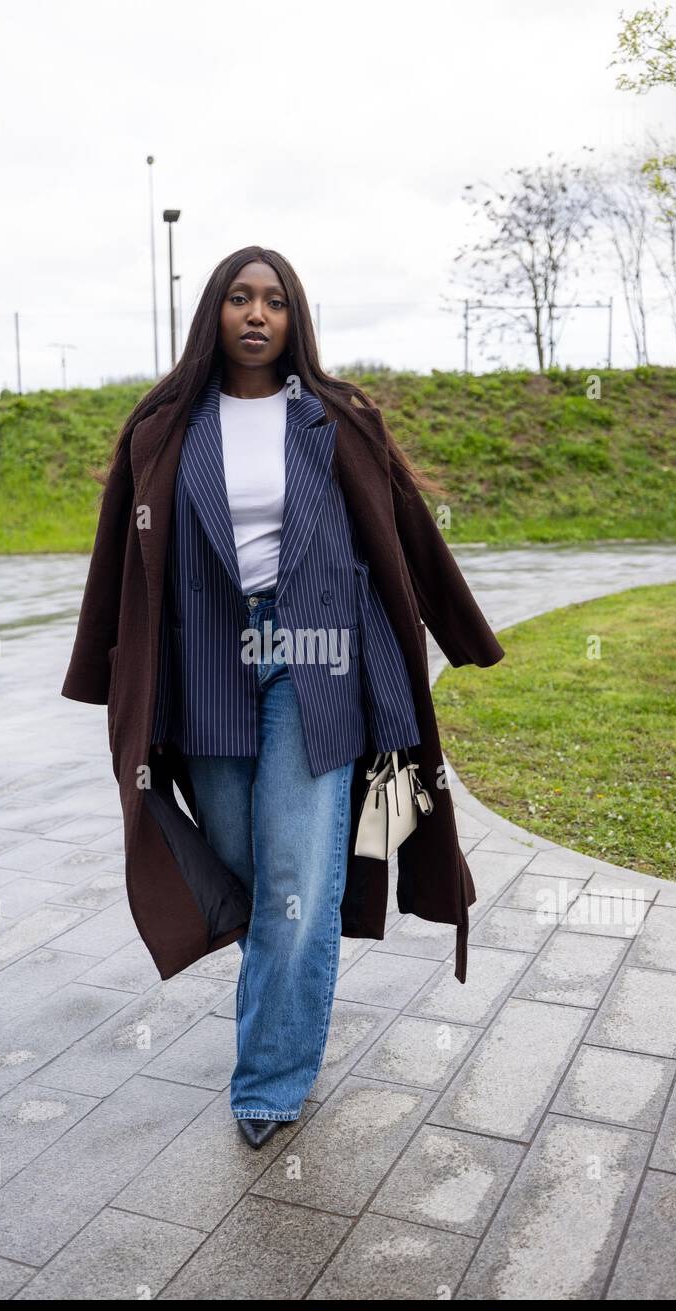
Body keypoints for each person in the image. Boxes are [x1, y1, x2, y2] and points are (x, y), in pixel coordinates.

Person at [62, 245, 504, 1150]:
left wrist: (462, 636)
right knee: (252, 866)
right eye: (238, 298)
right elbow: (119, 553)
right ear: (213, 315)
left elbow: (402, 530)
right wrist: (105, 672)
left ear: (294, 319)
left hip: (317, 659)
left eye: (274, 301)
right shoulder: (162, 425)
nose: (256, 314)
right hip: (207, 665)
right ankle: (281, 993)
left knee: (300, 875)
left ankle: (268, 1081)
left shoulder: (337, 417)